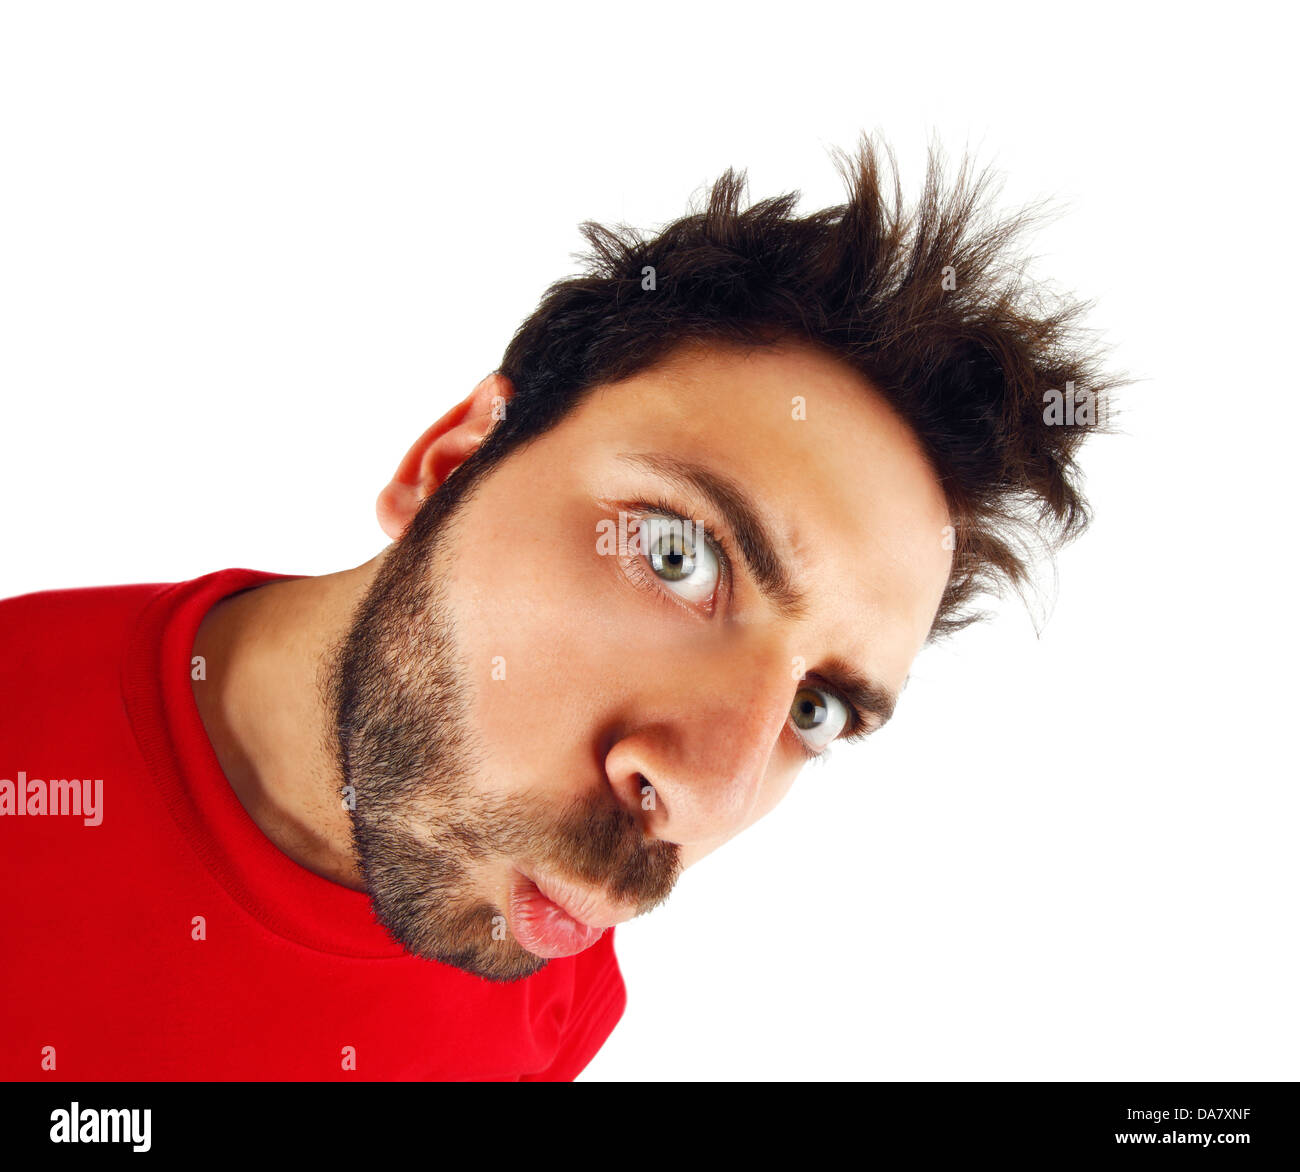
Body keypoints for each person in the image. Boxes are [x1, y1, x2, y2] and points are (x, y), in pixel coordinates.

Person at [0, 137, 1116, 1080]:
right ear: (450, 462)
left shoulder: (555, 990)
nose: (702, 798)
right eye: (680, 554)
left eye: (815, 707)